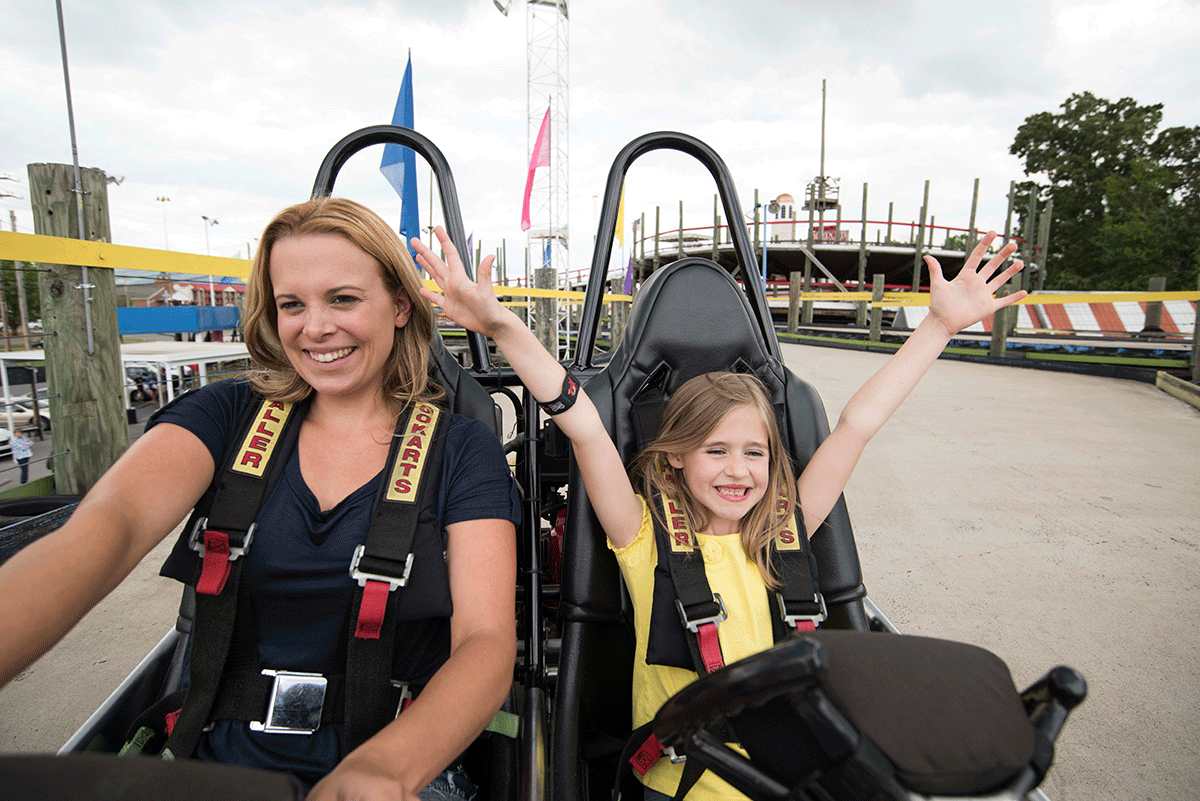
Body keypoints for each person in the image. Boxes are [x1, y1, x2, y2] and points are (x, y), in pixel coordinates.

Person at [414, 226, 1027, 801]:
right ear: (677, 456)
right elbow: (584, 426)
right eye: (717, 451)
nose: (739, 470)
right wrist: (500, 327)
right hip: (683, 785)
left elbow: (857, 425)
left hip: (791, 778)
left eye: (755, 453)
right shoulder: (642, 538)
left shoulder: (784, 533)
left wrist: (939, 326)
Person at [0, 198, 521, 801]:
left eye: (343, 299)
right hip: (219, 763)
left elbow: (485, 642)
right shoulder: (223, 417)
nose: (315, 327)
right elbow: (107, 531)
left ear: (400, 306)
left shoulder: (461, 449)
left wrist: (385, 769)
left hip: (400, 762)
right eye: (291, 305)